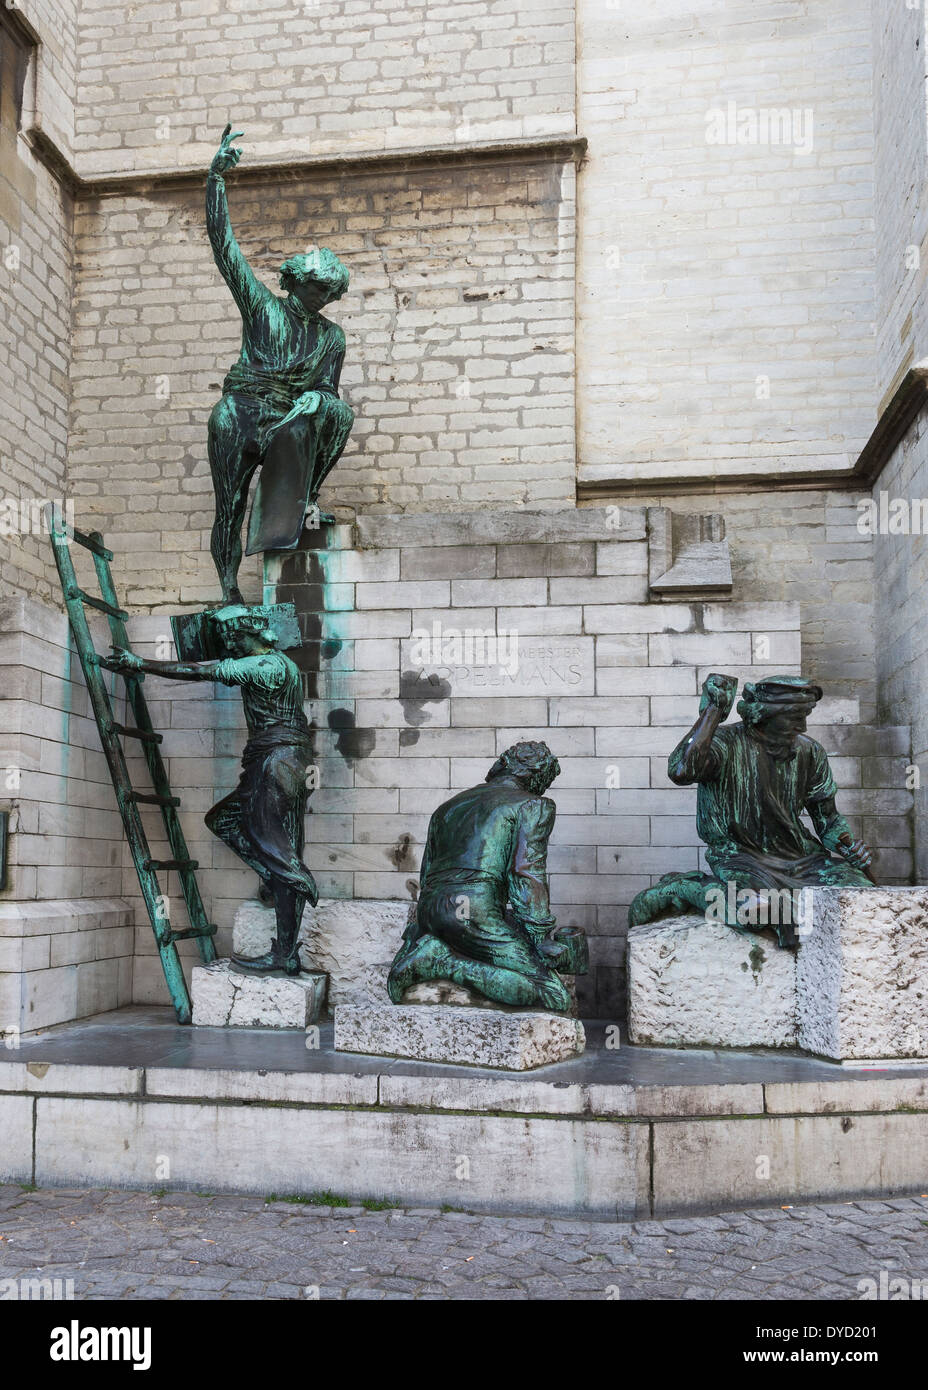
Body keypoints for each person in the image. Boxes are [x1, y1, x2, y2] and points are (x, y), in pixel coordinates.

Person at [112, 605, 317, 974]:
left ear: (252, 633)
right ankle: (277, 875)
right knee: (225, 820)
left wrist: (141, 664)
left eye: (232, 637)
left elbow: (200, 671)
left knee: (279, 851)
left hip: (277, 760)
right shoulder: (278, 663)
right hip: (274, 759)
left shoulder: (266, 666)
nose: (228, 644)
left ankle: (286, 944)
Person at [205, 124, 354, 601]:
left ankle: (304, 500)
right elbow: (224, 249)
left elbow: (331, 390)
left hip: (284, 418)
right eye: (315, 289)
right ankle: (228, 588)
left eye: (329, 293)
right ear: (294, 283)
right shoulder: (262, 306)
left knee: (338, 413)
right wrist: (216, 181)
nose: (322, 299)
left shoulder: (332, 337)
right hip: (239, 412)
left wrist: (319, 396)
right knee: (228, 504)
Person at [629, 674, 874, 946]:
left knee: (861, 896)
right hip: (741, 858)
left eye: (805, 716)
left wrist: (847, 845)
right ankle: (688, 887)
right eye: (795, 717)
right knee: (759, 912)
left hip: (802, 859)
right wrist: (712, 715)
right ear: (765, 715)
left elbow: (827, 819)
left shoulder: (811, 752)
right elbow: (682, 771)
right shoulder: (724, 742)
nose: (803, 726)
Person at [388, 741, 585, 1011]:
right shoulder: (533, 805)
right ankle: (441, 962)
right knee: (551, 995)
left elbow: (427, 874)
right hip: (473, 911)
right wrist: (539, 941)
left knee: (500, 935)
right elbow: (527, 875)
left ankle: (431, 949)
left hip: (431, 912)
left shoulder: (447, 807)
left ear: (501, 765)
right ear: (539, 780)